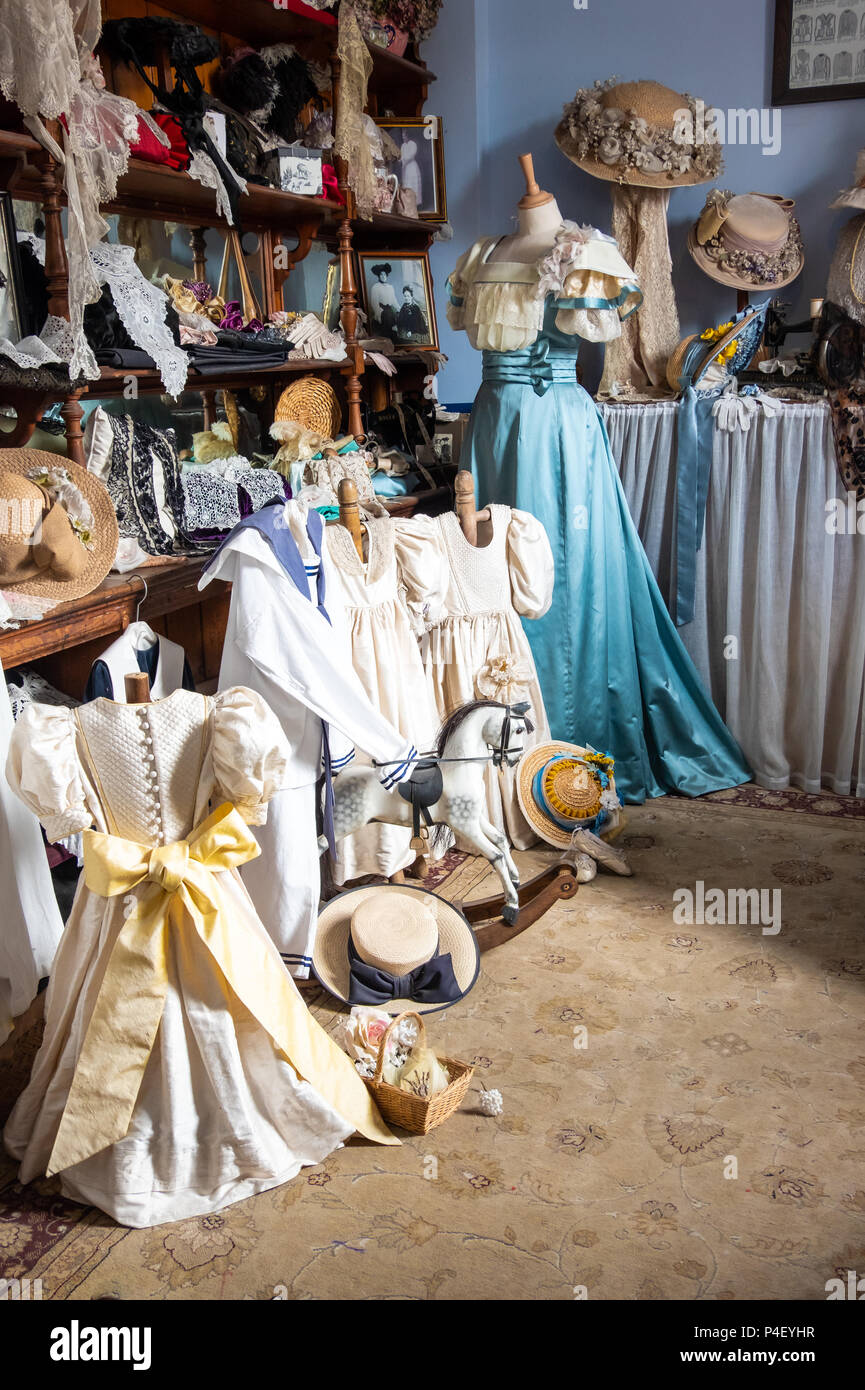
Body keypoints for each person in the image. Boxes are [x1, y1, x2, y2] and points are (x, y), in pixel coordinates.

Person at [368, 263, 398, 336]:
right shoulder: (376, 287)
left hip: (390, 310)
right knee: (387, 319)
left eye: (384, 274)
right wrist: (378, 314)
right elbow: (374, 303)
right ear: (379, 276)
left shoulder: (390, 287)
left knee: (397, 316)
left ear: (387, 275)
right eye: (381, 275)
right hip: (382, 310)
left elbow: (394, 301)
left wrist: (399, 309)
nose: (383, 276)